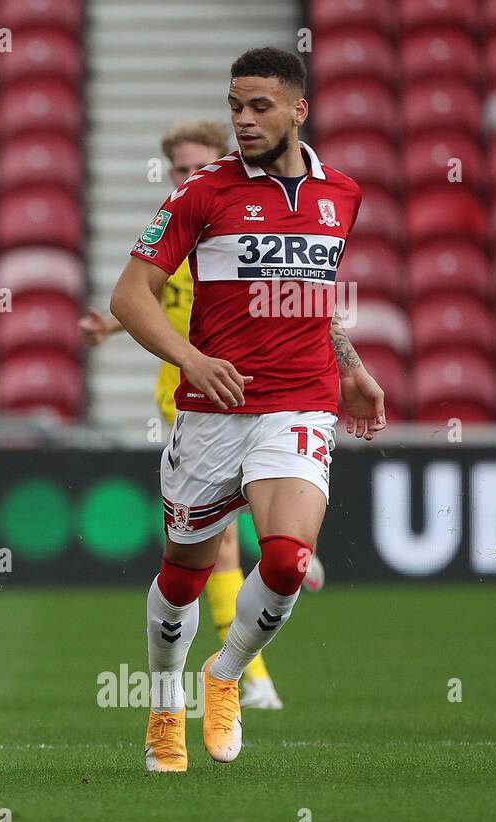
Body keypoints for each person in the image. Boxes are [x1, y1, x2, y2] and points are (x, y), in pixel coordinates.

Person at [108, 48, 386, 772]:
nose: (243, 119)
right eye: (235, 105)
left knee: (288, 560)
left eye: (259, 105)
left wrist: (352, 369)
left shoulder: (344, 195)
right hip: (209, 410)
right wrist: (191, 360)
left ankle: (225, 674)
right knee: (183, 576)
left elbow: (314, 296)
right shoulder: (203, 192)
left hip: (299, 401)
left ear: (299, 109)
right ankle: (166, 701)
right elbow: (129, 297)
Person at [80, 120, 289, 710]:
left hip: (237, 398)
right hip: (182, 403)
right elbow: (157, 295)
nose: (186, 176)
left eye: (197, 165)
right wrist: (111, 324)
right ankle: (256, 659)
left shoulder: (231, 229)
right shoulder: (176, 226)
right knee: (221, 543)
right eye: (177, 168)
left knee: (218, 546)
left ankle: (251, 678)